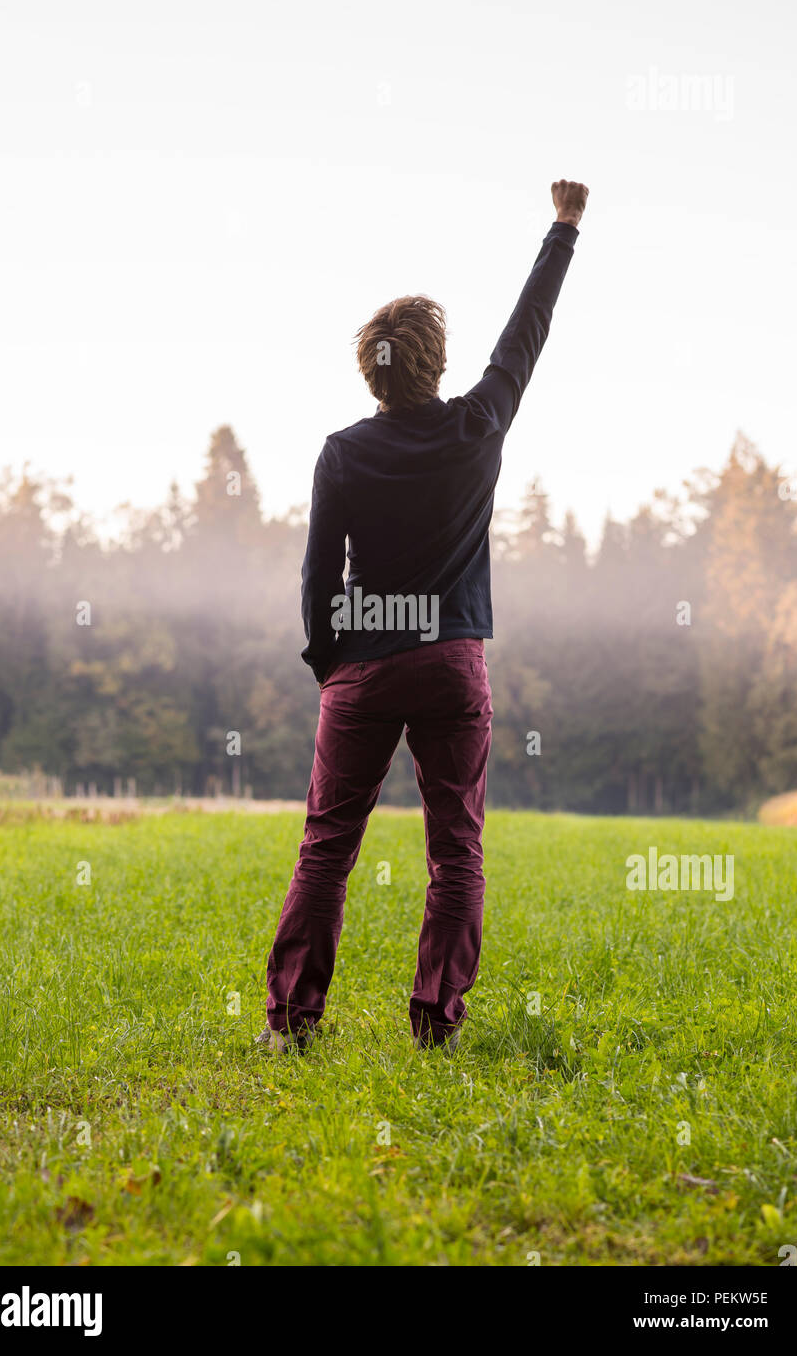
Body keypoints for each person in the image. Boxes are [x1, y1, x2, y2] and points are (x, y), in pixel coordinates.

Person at [259, 179, 589, 1054]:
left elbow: (317, 573)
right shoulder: (477, 425)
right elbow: (526, 335)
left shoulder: (343, 453)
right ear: (435, 364)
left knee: (326, 848)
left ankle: (293, 1025)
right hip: (448, 663)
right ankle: (435, 1027)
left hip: (363, 666)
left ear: (371, 367)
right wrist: (562, 229)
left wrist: (330, 661)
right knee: (457, 853)